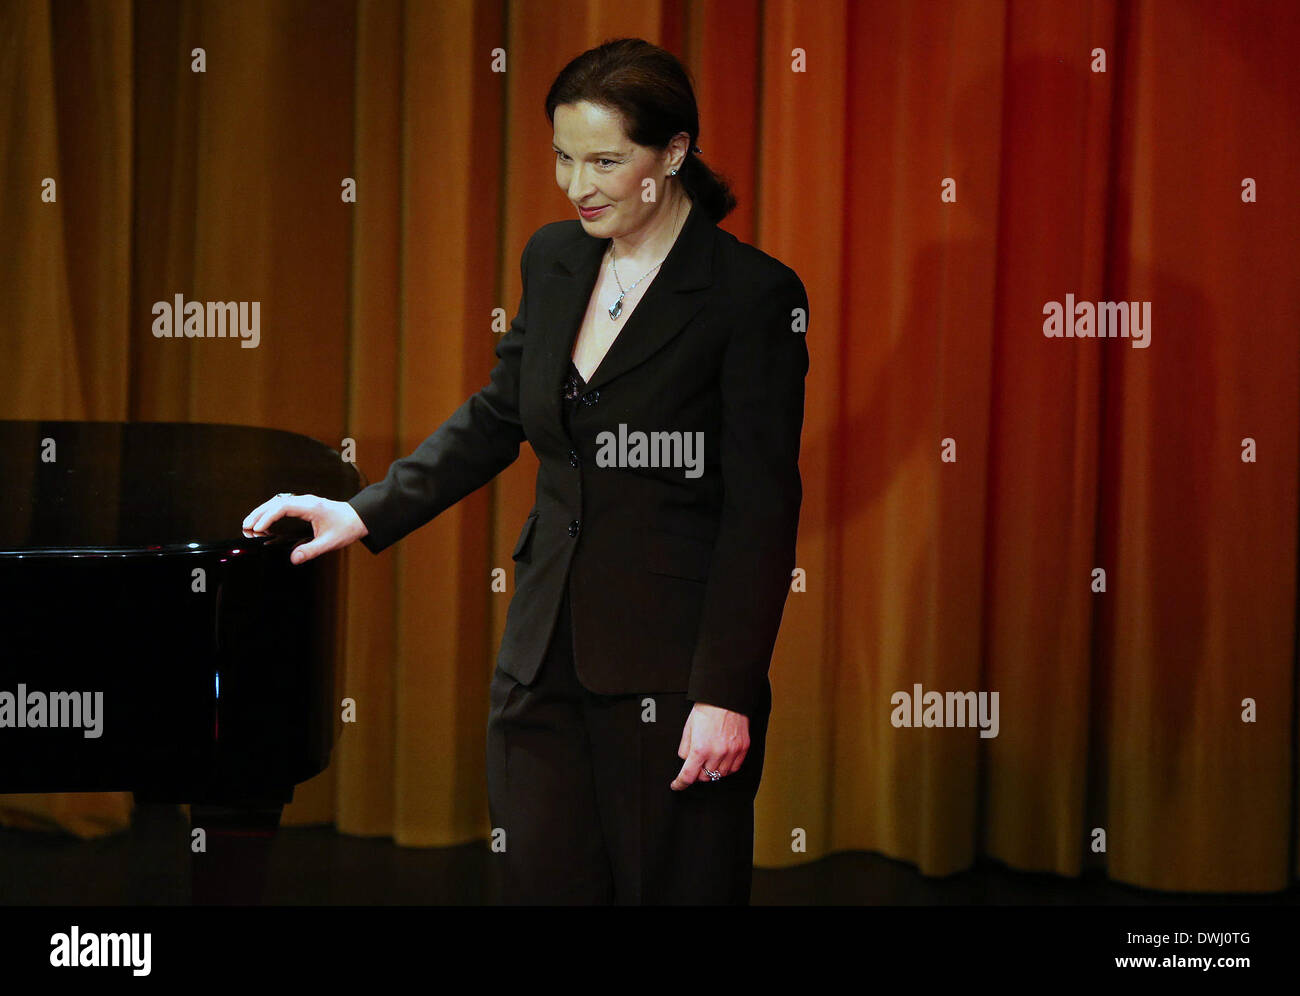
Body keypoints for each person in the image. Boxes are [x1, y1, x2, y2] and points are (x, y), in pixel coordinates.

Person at [242, 37, 809, 904]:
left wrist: (724, 693)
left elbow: (763, 512)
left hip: (670, 680)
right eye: (563, 157)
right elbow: (503, 411)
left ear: (675, 154)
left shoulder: (753, 297)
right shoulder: (555, 256)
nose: (577, 184)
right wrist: (364, 511)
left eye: (606, 161)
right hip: (540, 664)